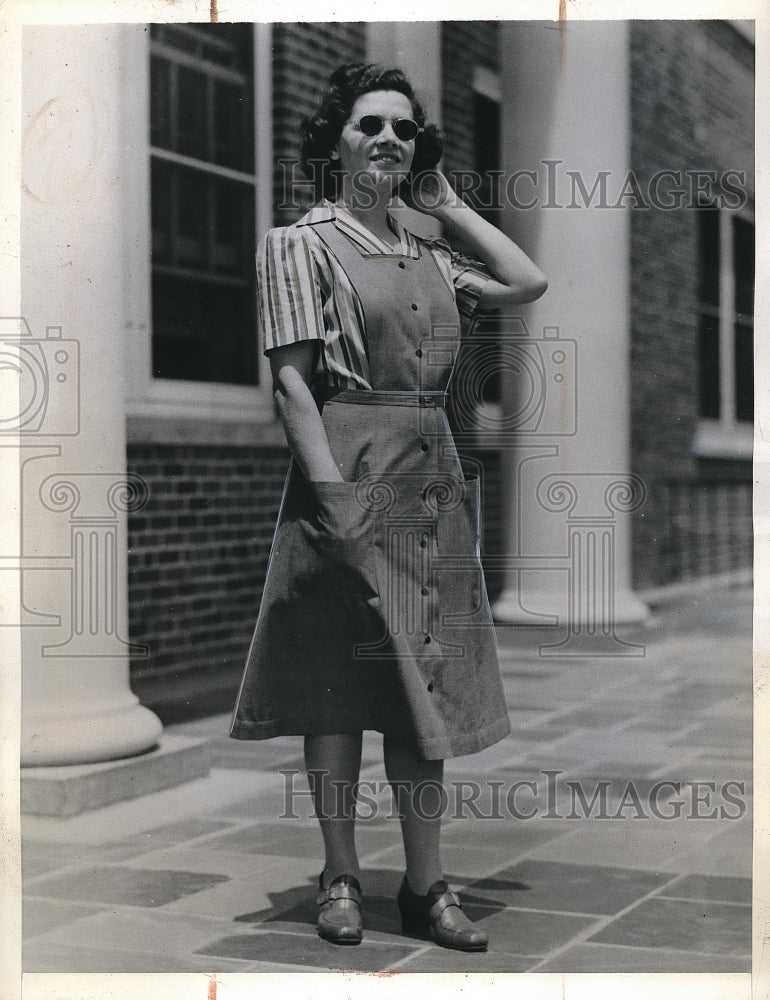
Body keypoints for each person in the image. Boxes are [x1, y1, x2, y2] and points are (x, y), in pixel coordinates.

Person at [231, 63, 547, 951]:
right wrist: (331, 496)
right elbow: (294, 383)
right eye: (370, 125)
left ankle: (423, 884)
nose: (388, 141)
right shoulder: (299, 243)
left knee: (426, 687)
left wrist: (445, 204)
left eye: (404, 131)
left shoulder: (430, 253)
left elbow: (526, 281)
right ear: (335, 139)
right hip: (346, 465)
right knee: (339, 685)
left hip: (429, 479)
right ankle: (339, 874)